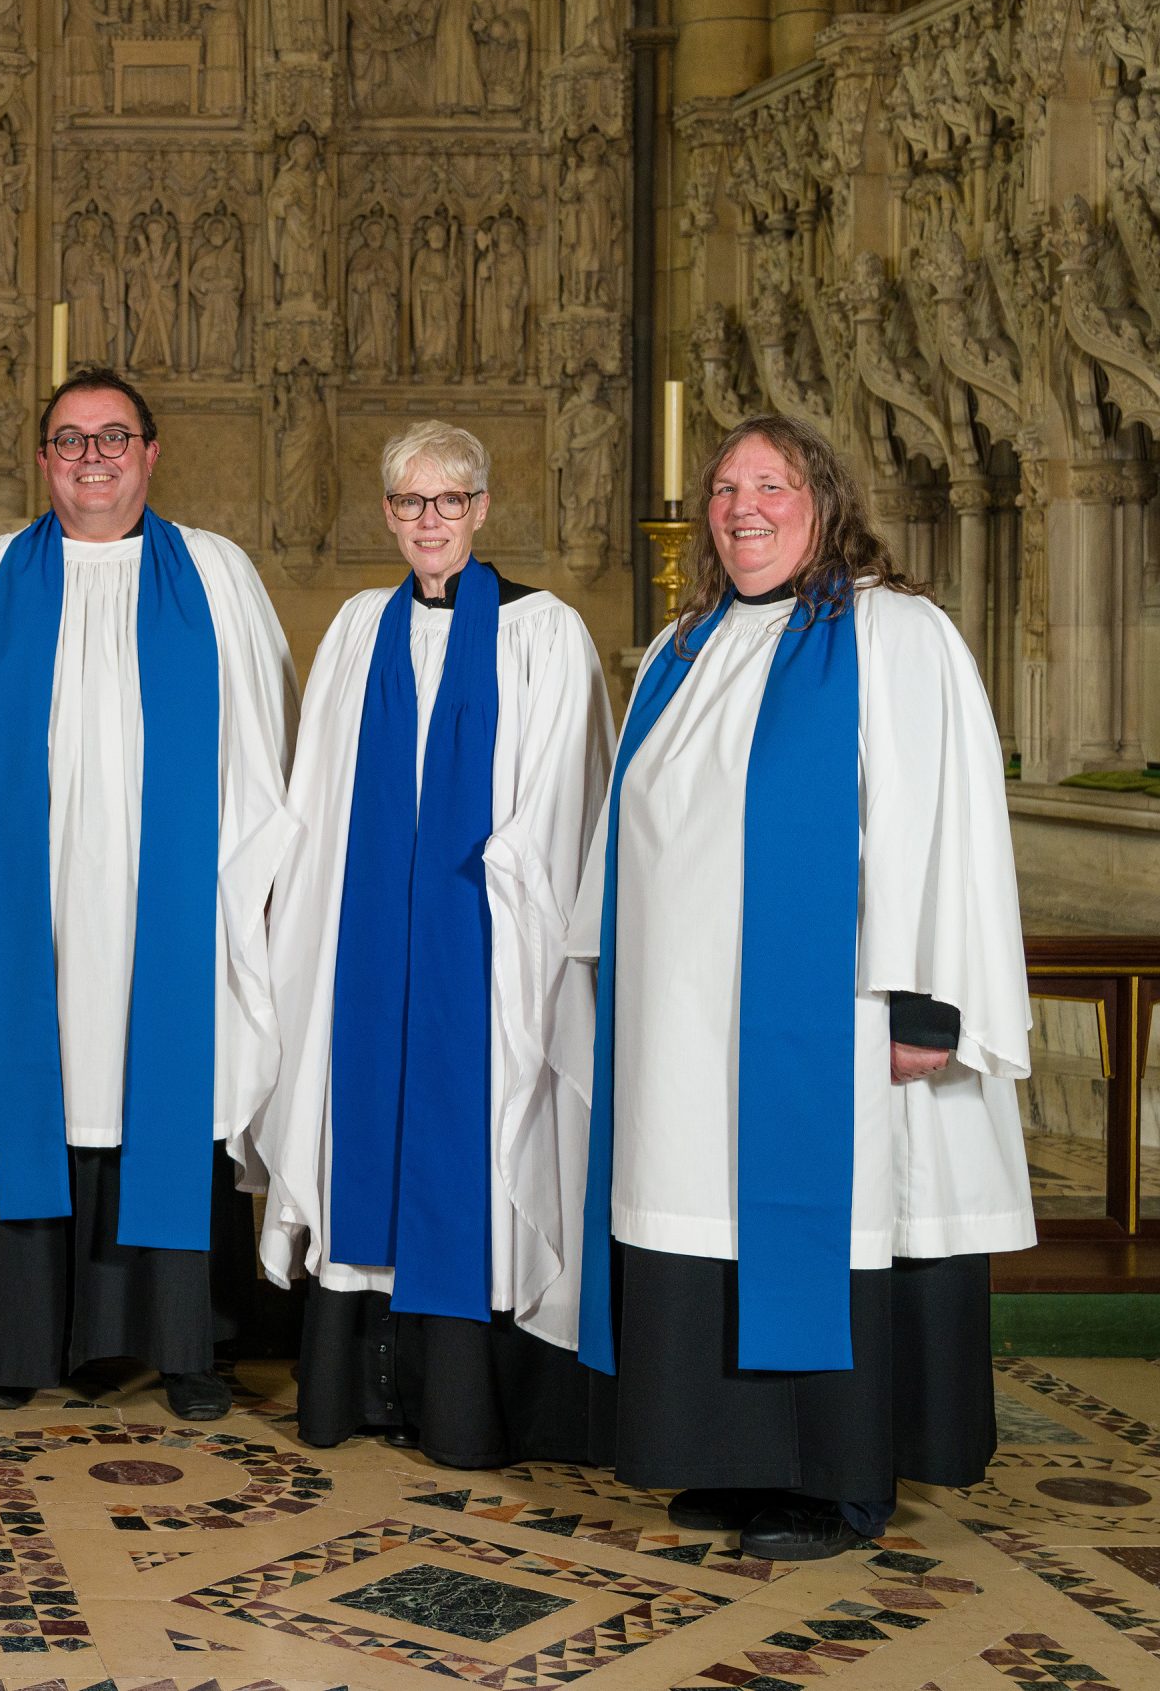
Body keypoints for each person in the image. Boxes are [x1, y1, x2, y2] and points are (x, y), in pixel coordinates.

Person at [563, 413, 1033, 1559]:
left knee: (812, 1225)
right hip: (685, 1032)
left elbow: (941, 824)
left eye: (769, 485)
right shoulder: (687, 645)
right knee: (701, 1222)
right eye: (723, 489)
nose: (741, 509)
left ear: (822, 498)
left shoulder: (890, 635)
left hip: (829, 1025)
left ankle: (834, 1478)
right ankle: (728, 1455)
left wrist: (928, 1004)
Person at [0, 365, 294, 1419]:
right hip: (21, 901)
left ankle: (184, 1347)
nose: (91, 457)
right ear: (43, 460)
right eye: (70, 440)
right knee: (32, 1084)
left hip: (168, 903)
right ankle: (13, 1341)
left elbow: (260, 756)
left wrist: (250, 894)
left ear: (150, 453)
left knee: (166, 1088)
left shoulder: (214, 576)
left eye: (112, 437)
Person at [251, 420, 613, 1464]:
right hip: (368, 937)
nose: (429, 522)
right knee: (355, 1116)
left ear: (483, 509)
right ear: (387, 515)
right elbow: (314, 798)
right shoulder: (359, 632)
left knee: (476, 1132)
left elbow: (565, 793)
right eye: (409, 504)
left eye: (449, 502)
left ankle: (466, 1401)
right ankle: (361, 1388)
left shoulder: (543, 634)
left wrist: (499, 875)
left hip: (484, 937)